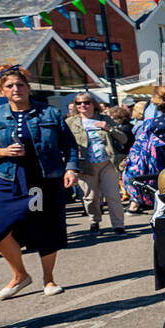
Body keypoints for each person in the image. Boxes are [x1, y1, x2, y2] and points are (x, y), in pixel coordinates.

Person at [0, 66, 80, 298]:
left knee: (46, 228)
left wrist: (71, 169)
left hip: (43, 178)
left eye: (20, 85)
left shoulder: (49, 112)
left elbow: (69, 145)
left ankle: (48, 280)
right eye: (9, 86)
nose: (16, 89)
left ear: (29, 88)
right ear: (1, 91)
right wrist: (1, 152)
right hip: (7, 178)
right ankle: (20, 275)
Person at [66, 92, 126, 235]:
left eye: (86, 102)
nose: (83, 105)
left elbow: (123, 139)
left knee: (113, 196)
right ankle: (95, 222)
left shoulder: (104, 119)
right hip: (85, 165)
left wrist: (109, 128)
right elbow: (65, 144)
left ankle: (118, 225)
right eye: (79, 103)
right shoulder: (71, 122)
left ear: (93, 104)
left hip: (107, 163)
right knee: (91, 198)